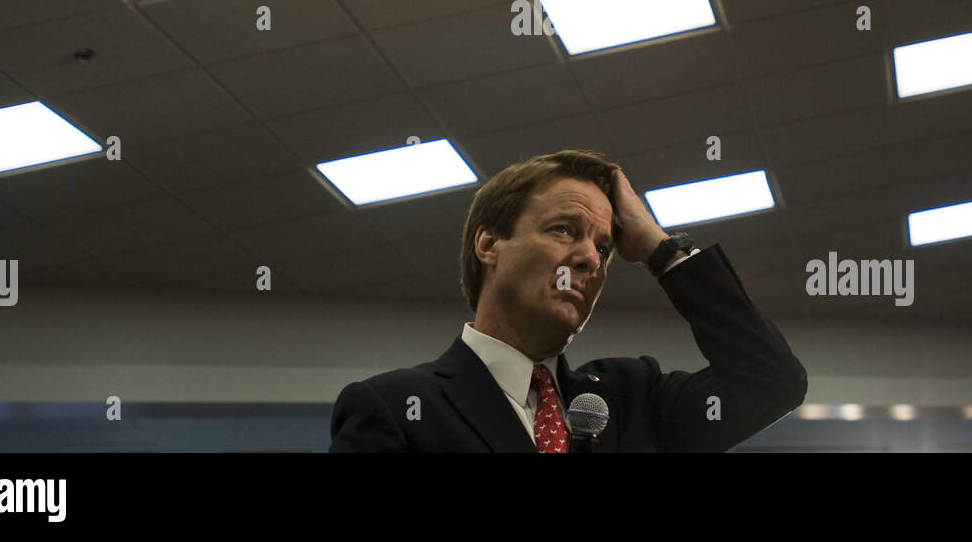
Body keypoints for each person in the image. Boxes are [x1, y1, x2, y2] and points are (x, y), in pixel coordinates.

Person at [328, 149, 806, 452]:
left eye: (602, 247)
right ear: (490, 244)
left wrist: (663, 253)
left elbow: (773, 383)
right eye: (563, 230)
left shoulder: (632, 398)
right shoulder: (398, 407)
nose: (590, 259)